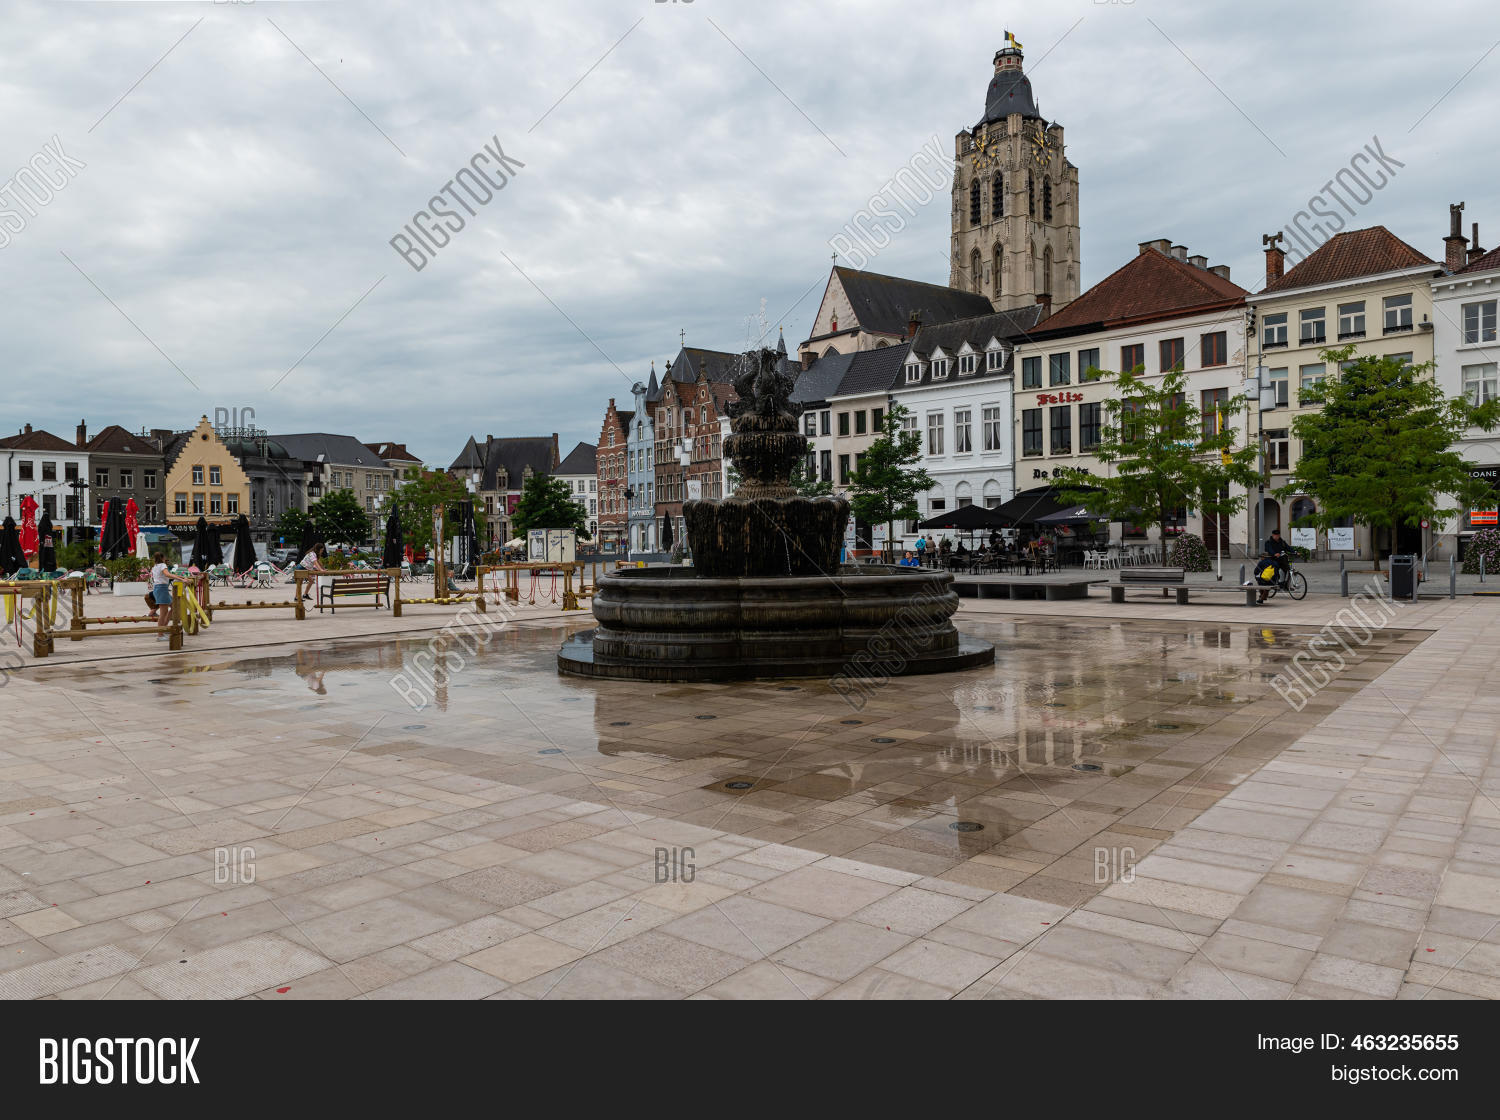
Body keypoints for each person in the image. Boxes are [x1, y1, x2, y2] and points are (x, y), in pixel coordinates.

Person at [148, 551, 189, 641]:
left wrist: (182, 578)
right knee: (163, 613)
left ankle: (164, 629)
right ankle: (160, 635)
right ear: (163, 558)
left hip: (160, 589)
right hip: (161, 589)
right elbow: (167, 574)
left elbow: (168, 575)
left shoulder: (155, 566)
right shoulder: (162, 565)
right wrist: (182, 579)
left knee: (174, 606)